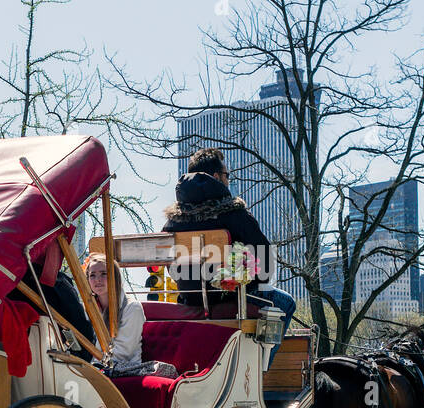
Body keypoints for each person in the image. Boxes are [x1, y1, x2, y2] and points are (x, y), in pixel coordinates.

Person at [161, 148, 296, 365]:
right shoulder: (234, 214)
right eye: (227, 175)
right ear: (216, 177)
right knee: (286, 302)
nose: (228, 180)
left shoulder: (172, 222)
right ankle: (260, 373)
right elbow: (266, 266)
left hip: (190, 301)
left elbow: (168, 265)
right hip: (231, 301)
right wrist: (245, 279)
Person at [84, 253, 176, 379]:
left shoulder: (132, 308)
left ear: (114, 277)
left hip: (122, 371)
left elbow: (123, 353)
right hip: (95, 367)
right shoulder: (89, 309)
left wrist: (90, 364)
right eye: (92, 275)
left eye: (103, 274)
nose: (97, 279)